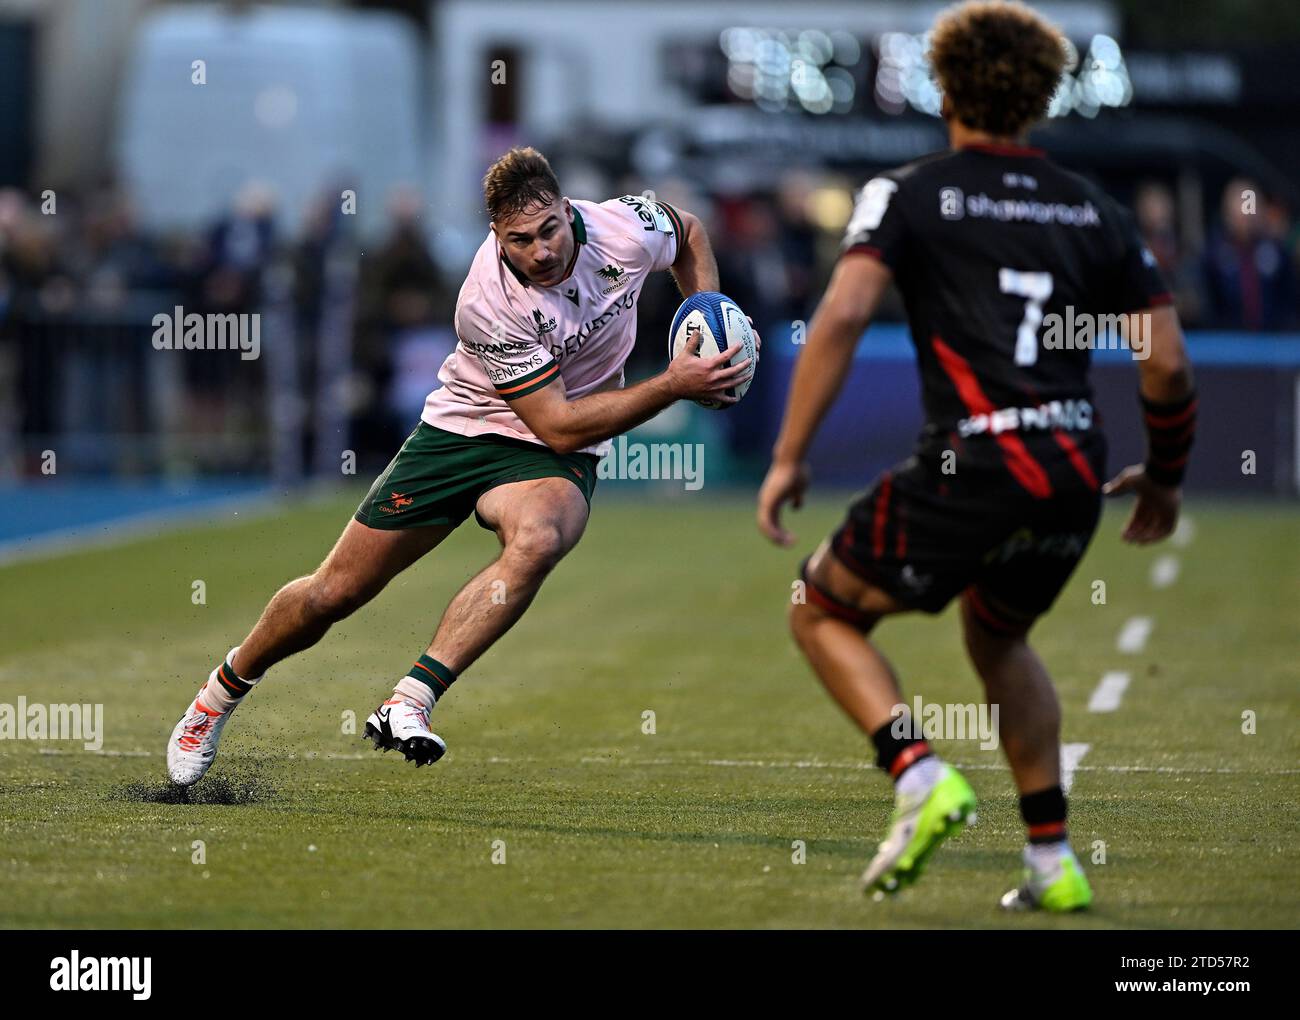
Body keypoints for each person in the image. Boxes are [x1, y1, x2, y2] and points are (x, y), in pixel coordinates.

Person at [756, 0, 1195, 912]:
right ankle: (1051, 862)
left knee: (818, 607)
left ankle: (918, 778)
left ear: (944, 85)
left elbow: (839, 315)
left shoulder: (908, 193)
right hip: (1074, 469)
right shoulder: (1098, 210)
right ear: (1040, 96)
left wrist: (790, 453)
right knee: (999, 635)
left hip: (979, 461)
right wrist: (1166, 474)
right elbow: (1168, 363)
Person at [167, 147, 755, 784]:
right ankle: (216, 696)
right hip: (466, 428)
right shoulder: (486, 300)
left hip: (551, 452)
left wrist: (709, 322)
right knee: (334, 593)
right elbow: (555, 422)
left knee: (541, 536)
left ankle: (409, 700)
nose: (542, 251)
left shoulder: (626, 227)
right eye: (520, 240)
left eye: (550, 229)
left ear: (568, 209)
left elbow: (690, 231)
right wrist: (674, 383)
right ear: (496, 235)